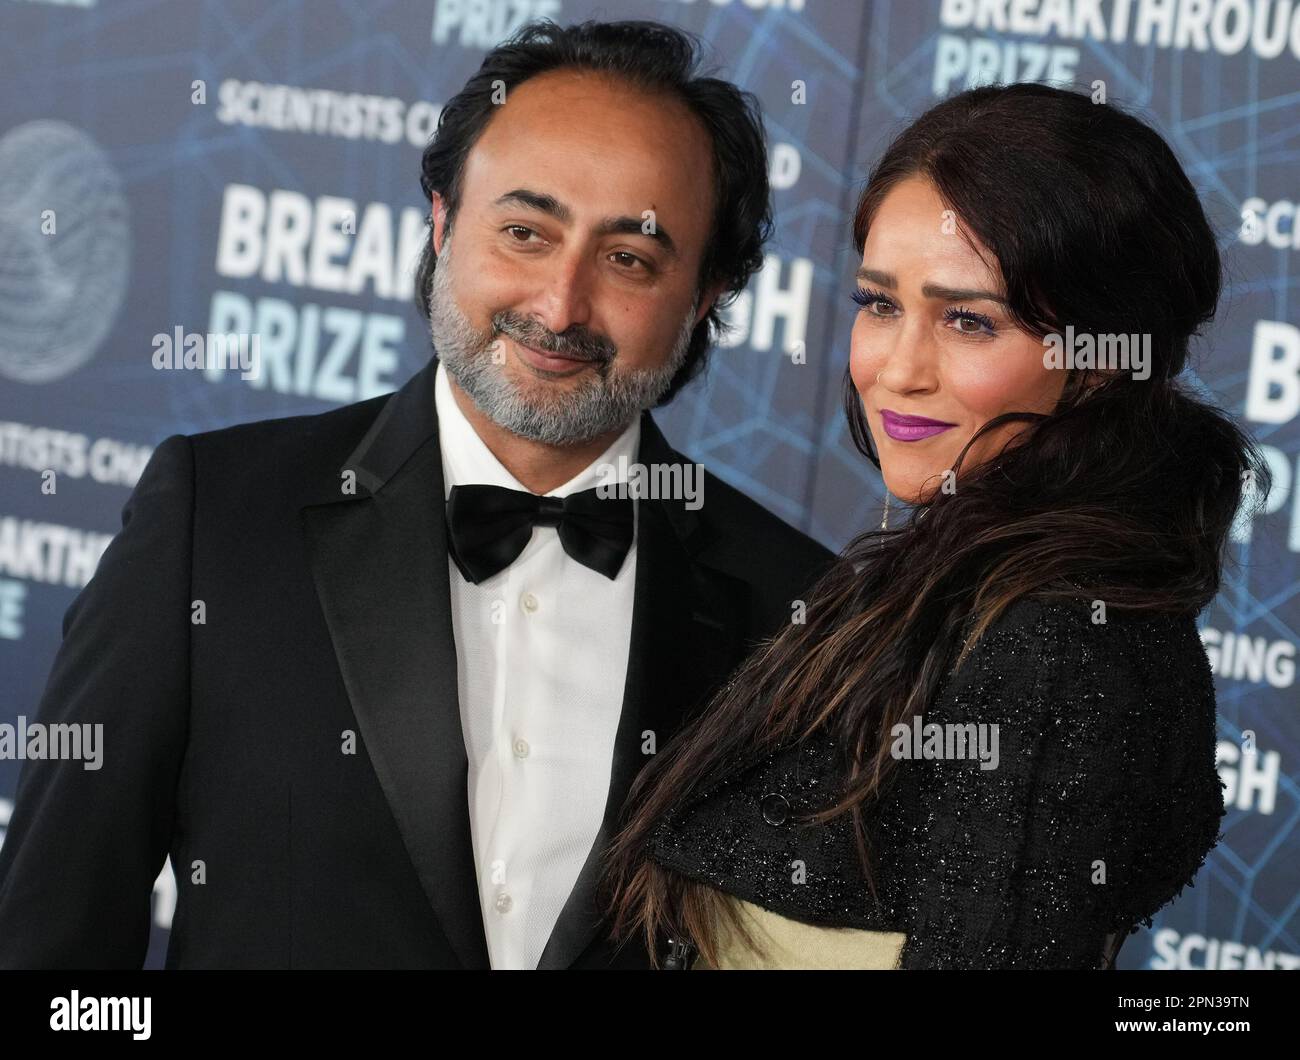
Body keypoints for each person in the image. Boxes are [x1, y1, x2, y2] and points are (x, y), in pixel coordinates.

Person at [0, 19, 831, 969]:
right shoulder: (213, 519)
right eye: (524, 232)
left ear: (709, 292)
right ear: (441, 223)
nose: (560, 307)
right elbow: (50, 942)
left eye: (629, 258)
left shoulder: (802, 613)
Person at [600, 82, 1270, 970]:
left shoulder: (1058, 650)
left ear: (1104, 359)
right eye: (880, 304)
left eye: (968, 320)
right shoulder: (947, 586)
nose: (898, 369)